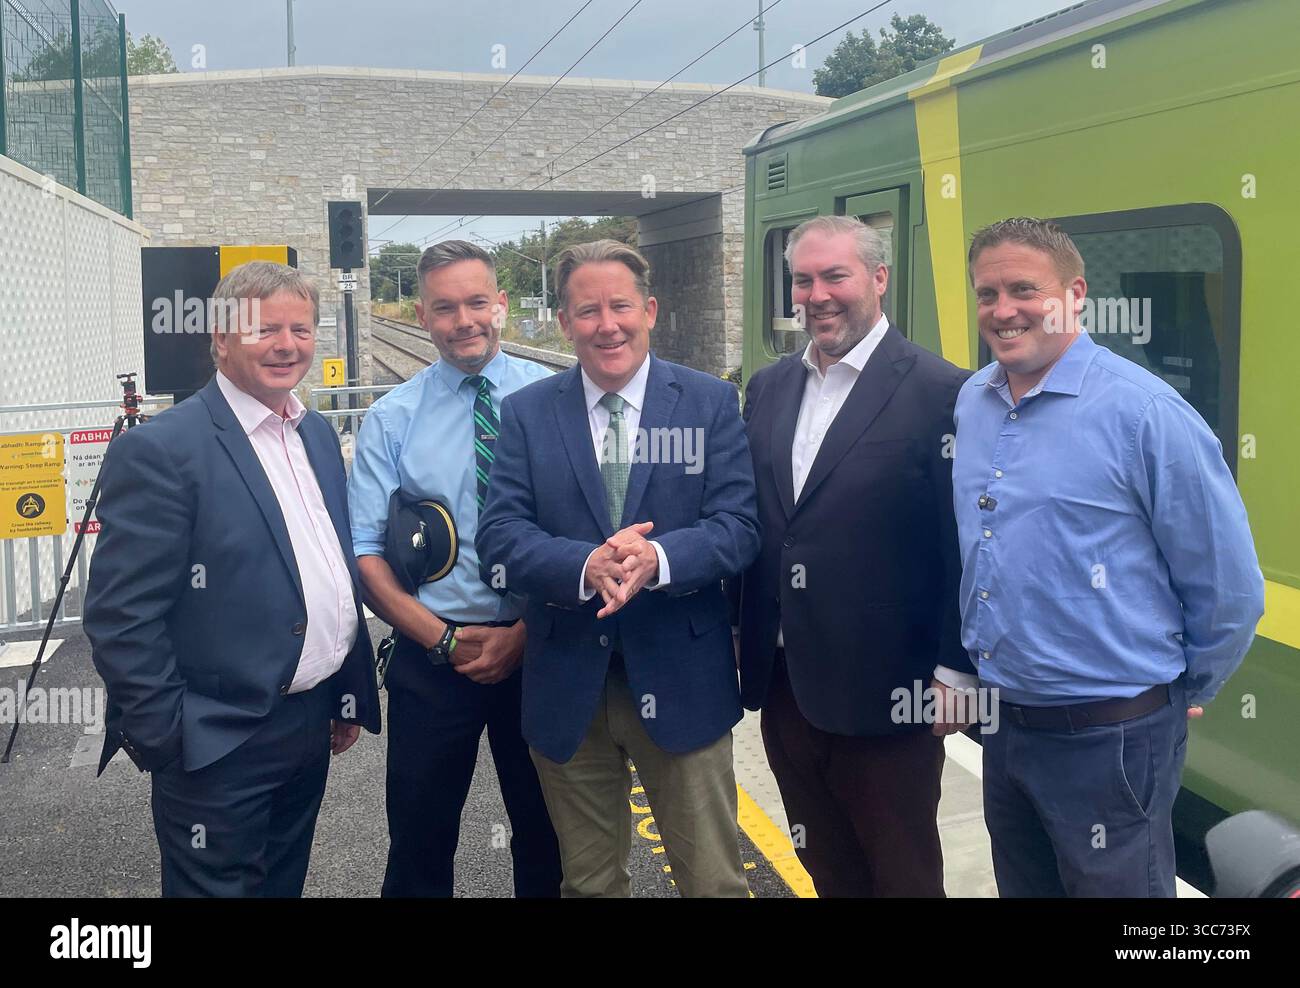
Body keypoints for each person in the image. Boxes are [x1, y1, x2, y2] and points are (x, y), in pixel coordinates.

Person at [953, 216, 1265, 897]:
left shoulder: (1144, 413)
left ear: (1074, 294)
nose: (1003, 310)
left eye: (1023, 289)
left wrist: (1181, 688)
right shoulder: (973, 404)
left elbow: (1232, 589)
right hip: (1005, 726)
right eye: (987, 293)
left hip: (1112, 742)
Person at [84, 261, 381, 897]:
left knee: (281, 885)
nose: (287, 345)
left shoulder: (317, 435)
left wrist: (345, 689)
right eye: (265, 329)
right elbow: (120, 614)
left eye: (301, 329)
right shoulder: (163, 448)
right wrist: (171, 737)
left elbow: (329, 569)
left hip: (309, 721)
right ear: (219, 339)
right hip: (217, 739)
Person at [476, 240, 760, 897]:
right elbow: (500, 534)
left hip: (682, 679)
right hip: (569, 685)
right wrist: (585, 564)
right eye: (587, 310)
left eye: (621, 306)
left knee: (714, 883)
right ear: (564, 321)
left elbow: (739, 527)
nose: (607, 324)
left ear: (650, 310)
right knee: (590, 886)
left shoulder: (709, 403)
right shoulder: (525, 414)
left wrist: (657, 558)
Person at [733, 214, 972, 897]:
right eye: (803, 280)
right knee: (827, 868)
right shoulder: (772, 385)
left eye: (835, 275)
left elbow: (963, 545)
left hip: (889, 693)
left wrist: (957, 668)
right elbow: (763, 520)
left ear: (879, 279)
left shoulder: (941, 392)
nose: (817, 294)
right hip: (785, 686)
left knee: (902, 876)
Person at [348, 240, 561, 897]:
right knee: (419, 837)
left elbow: (583, 532)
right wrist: (441, 638)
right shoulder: (391, 419)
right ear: (422, 315)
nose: (463, 320)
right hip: (434, 652)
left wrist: (525, 631)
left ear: (500, 304)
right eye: (445, 308)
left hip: (542, 651)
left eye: (477, 302)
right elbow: (365, 552)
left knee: (550, 833)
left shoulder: (555, 399)